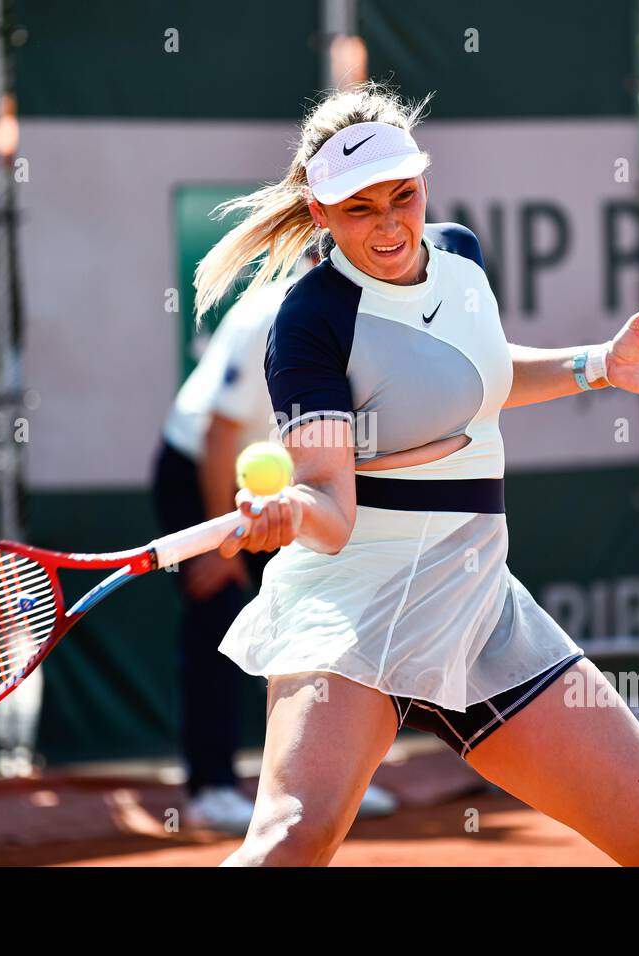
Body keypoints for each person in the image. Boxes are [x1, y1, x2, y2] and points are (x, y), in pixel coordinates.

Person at [192, 81, 639, 866]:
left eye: (401, 197)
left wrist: (600, 365)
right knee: (289, 842)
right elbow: (331, 508)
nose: (388, 225)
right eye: (358, 209)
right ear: (320, 213)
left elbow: (471, 376)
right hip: (356, 617)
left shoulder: (462, 258)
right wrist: (287, 511)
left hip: (480, 609)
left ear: (423, 182)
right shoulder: (308, 322)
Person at [151, 257, 398, 833]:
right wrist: (218, 544)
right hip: (202, 474)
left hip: (289, 487)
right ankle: (210, 787)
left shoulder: (373, 320)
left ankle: (326, 783)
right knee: (217, 621)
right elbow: (218, 433)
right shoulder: (271, 313)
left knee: (319, 625)